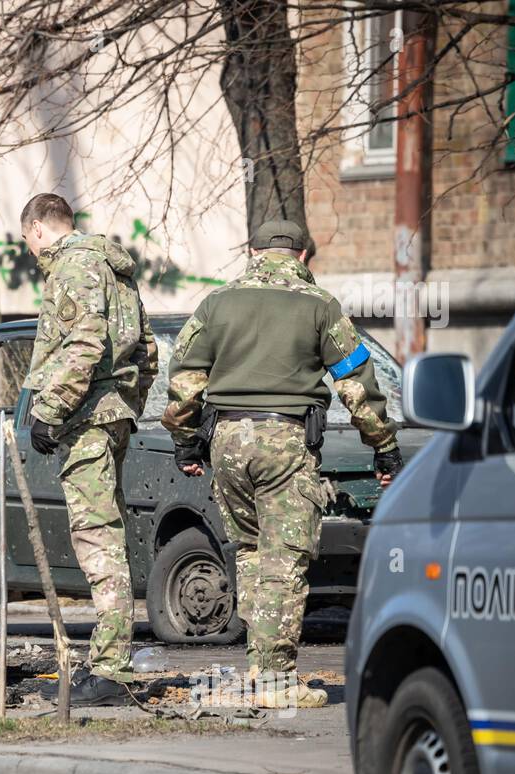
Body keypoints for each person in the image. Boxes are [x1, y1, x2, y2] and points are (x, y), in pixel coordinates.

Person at [162, 219, 403, 708]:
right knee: (284, 559)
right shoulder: (319, 305)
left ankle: (260, 668)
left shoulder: (216, 302)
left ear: (252, 252)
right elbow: (355, 383)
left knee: (252, 555)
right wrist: (383, 446)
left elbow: (185, 377)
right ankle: (276, 680)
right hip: (284, 441)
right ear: (303, 256)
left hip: (226, 441)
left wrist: (187, 441)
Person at [20, 193, 158, 706]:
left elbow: (83, 345)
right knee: (109, 535)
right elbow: (146, 350)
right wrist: (128, 404)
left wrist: (50, 410)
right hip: (112, 415)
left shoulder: (73, 268)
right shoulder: (115, 268)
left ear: (37, 229)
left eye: (29, 241)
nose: (32, 253)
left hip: (86, 421)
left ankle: (108, 668)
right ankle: (111, 659)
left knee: (98, 540)